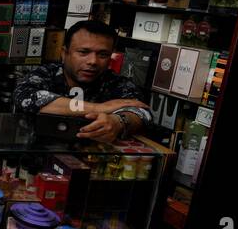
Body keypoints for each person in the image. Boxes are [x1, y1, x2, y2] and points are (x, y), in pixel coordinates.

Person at [13, 19, 152, 144]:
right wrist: (99, 108)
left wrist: (119, 122)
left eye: (103, 54)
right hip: (38, 156)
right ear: (64, 53)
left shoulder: (117, 83)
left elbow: (141, 112)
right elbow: (26, 97)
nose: (93, 61)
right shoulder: (46, 74)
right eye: (83, 52)